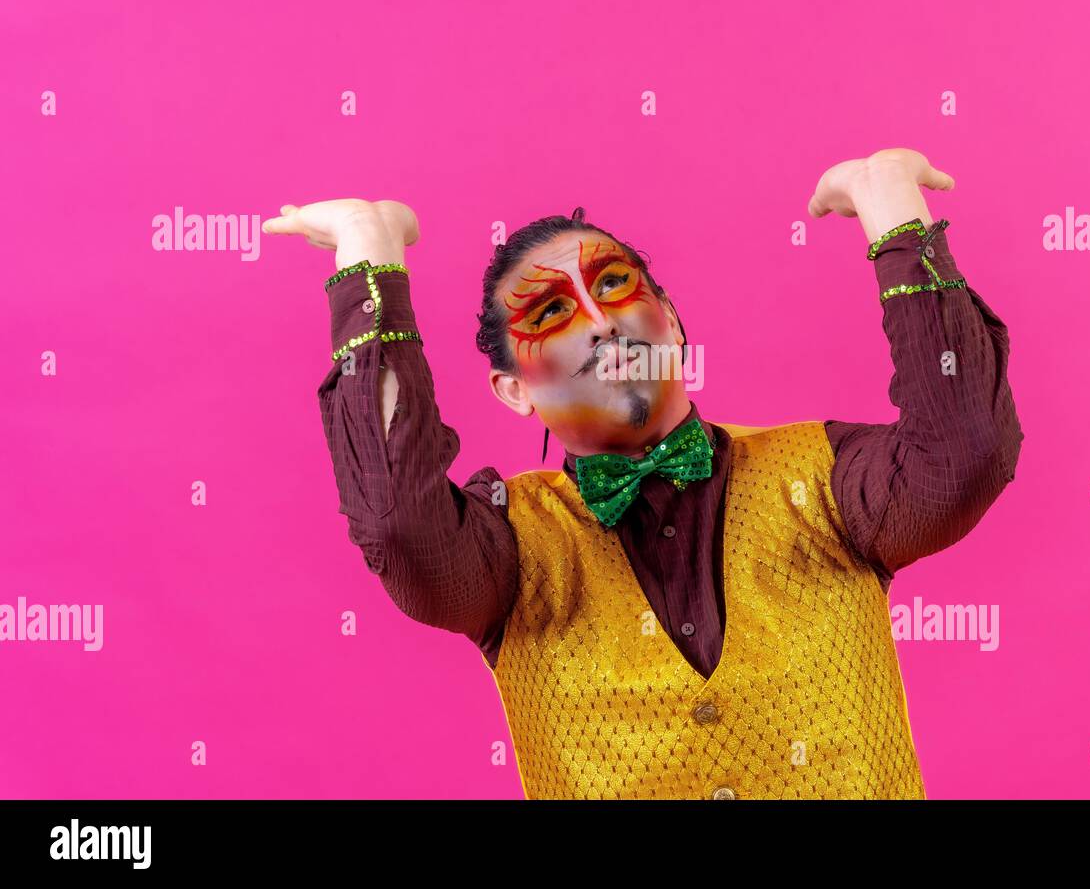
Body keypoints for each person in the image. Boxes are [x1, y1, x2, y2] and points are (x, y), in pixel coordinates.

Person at [264, 147, 1024, 799]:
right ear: (514, 392)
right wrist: (370, 258)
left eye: (618, 287)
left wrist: (889, 206)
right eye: (551, 314)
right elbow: (397, 522)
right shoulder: (505, 550)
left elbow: (967, 453)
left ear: (674, 323)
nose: (601, 322)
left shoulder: (826, 478)